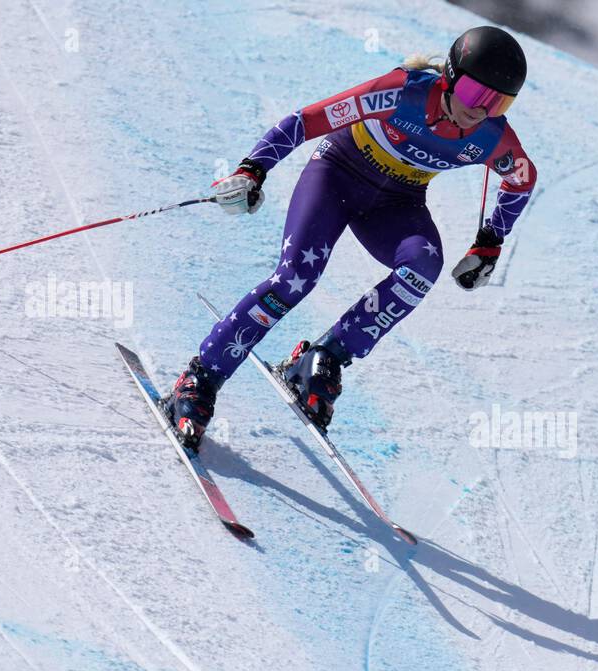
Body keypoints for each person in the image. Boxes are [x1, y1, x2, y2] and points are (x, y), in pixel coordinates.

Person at [164, 24, 537, 443]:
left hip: (397, 203)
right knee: (294, 279)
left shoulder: (491, 136)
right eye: (474, 93)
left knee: (422, 267)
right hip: (336, 175)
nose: (480, 110)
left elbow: (522, 180)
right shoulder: (402, 93)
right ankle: (200, 379)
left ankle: (324, 357)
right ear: (450, 76)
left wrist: (489, 243)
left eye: (498, 102)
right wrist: (253, 169)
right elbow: (306, 121)